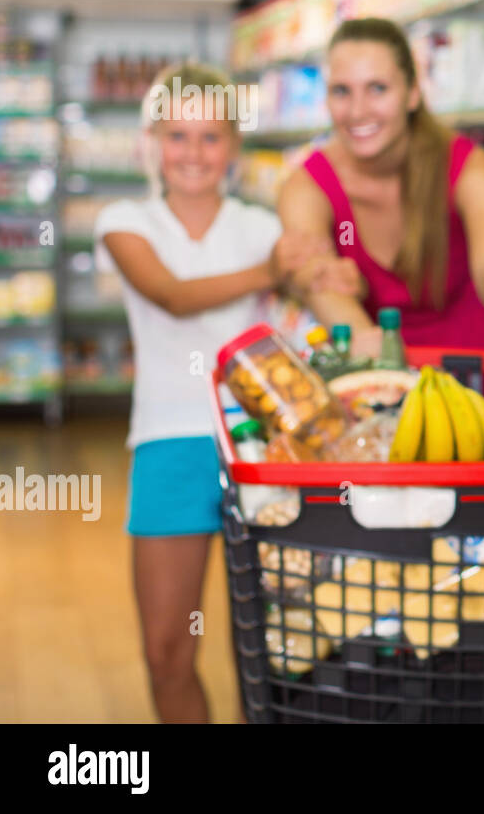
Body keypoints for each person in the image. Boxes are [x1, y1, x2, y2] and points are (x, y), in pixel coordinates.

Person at [94, 61, 321, 723]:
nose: (193, 153)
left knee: (280, 648)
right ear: (151, 142)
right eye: (177, 135)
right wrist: (270, 271)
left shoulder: (259, 223)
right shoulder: (125, 219)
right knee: (167, 650)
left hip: (265, 447)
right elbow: (170, 294)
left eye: (210, 136)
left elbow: (323, 287)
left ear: (234, 147)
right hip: (169, 445)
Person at [276, 18, 484, 407]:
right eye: (341, 91)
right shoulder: (307, 185)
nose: (358, 110)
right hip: (379, 388)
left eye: (377, 88)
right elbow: (320, 280)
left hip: (480, 386)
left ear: (413, 93)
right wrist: (374, 354)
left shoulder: (469, 167)